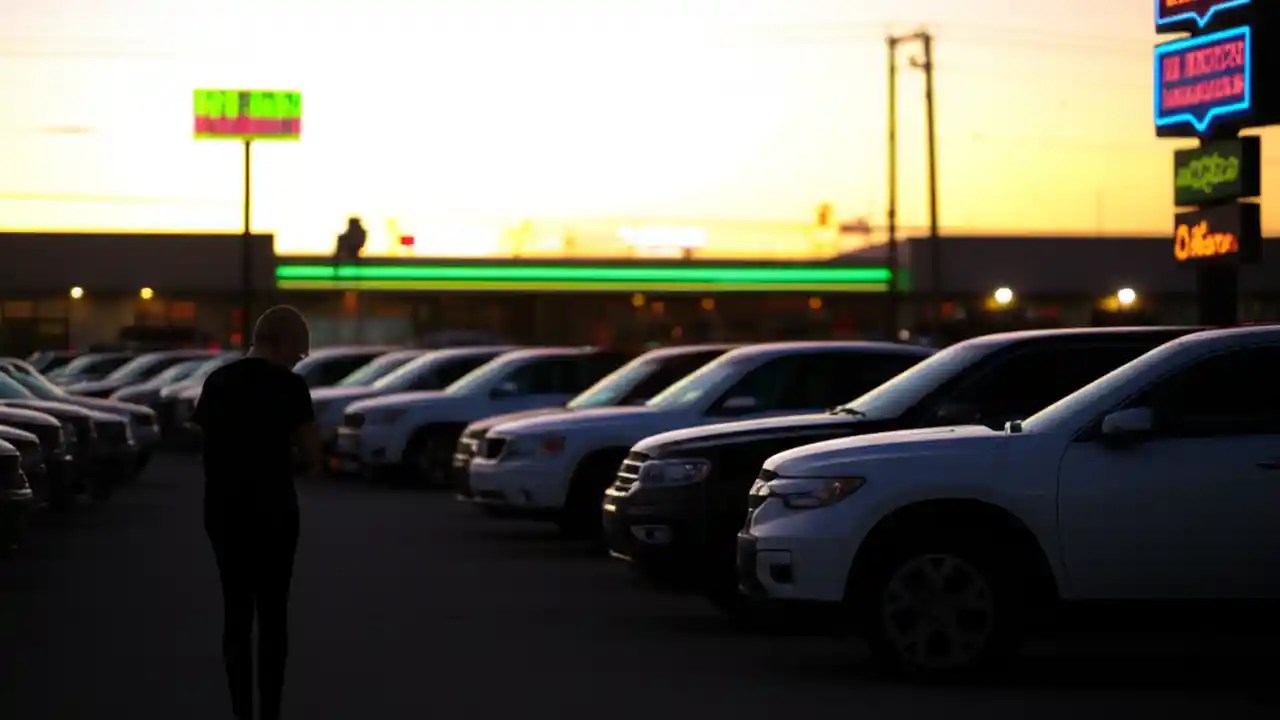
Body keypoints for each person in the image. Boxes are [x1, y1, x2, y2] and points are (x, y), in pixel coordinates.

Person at [192, 305, 322, 720]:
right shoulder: (290, 387)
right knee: (273, 615)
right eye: (298, 352)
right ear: (283, 342)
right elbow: (312, 455)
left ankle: (240, 710)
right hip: (274, 511)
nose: (296, 360)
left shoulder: (217, 382)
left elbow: (205, 444)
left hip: (224, 509)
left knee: (236, 613)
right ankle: (270, 711)